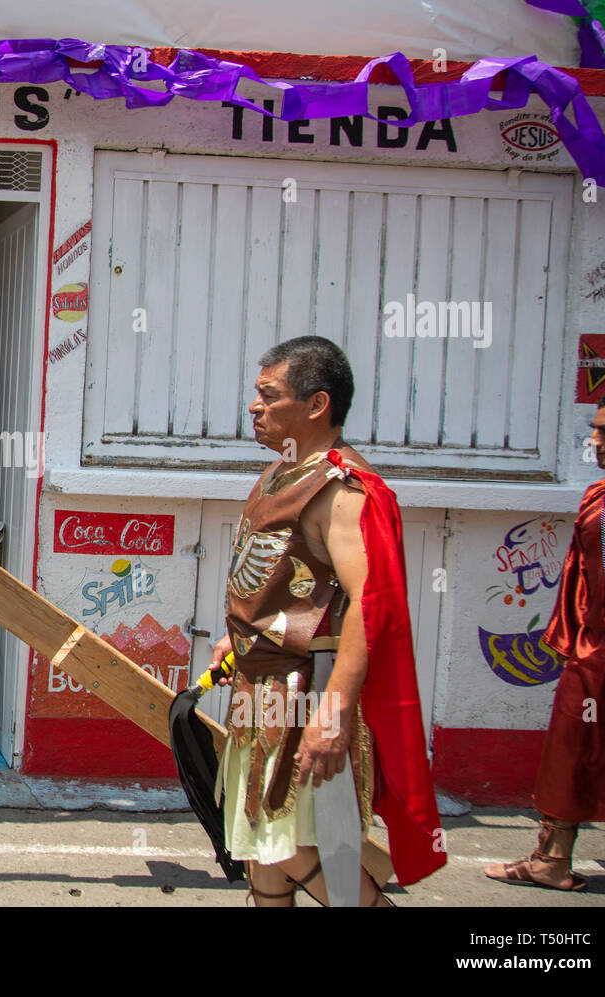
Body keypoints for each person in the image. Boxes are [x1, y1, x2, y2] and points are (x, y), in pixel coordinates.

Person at [209, 335, 444, 906]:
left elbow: (370, 600)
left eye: (269, 395)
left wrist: (334, 712)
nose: (253, 407)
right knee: (261, 849)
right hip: (260, 689)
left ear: (317, 405)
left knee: (290, 845)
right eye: (256, 394)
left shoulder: (343, 490)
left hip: (306, 695)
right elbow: (282, 586)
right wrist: (236, 638)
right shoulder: (282, 473)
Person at [484, 387, 605, 891]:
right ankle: (551, 861)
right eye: (595, 428)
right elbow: (579, 571)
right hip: (596, 649)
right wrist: (571, 639)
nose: (595, 440)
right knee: (570, 750)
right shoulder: (600, 495)